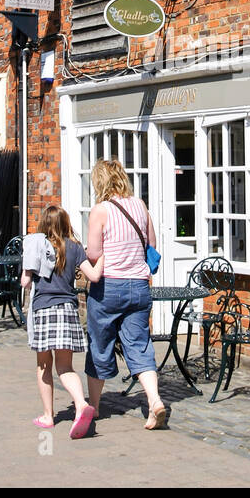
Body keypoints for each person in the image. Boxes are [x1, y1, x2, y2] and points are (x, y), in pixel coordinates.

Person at [83, 158, 168, 430]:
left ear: (100, 182)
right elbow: (151, 244)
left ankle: (94, 407)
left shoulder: (100, 210)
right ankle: (154, 401)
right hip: (140, 286)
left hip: (109, 287)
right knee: (139, 343)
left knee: (100, 344)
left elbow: (94, 253)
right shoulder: (140, 206)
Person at [20, 205, 103, 439]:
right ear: (66, 223)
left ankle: (48, 416)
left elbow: (26, 282)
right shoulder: (75, 247)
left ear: (45, 224)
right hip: (67, 309)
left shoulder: (37, 245)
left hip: (43, 310)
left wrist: (26, 274)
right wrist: (105, 254)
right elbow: (94, 276)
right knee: (65, 367)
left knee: (44, 365)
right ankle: (80, 403)